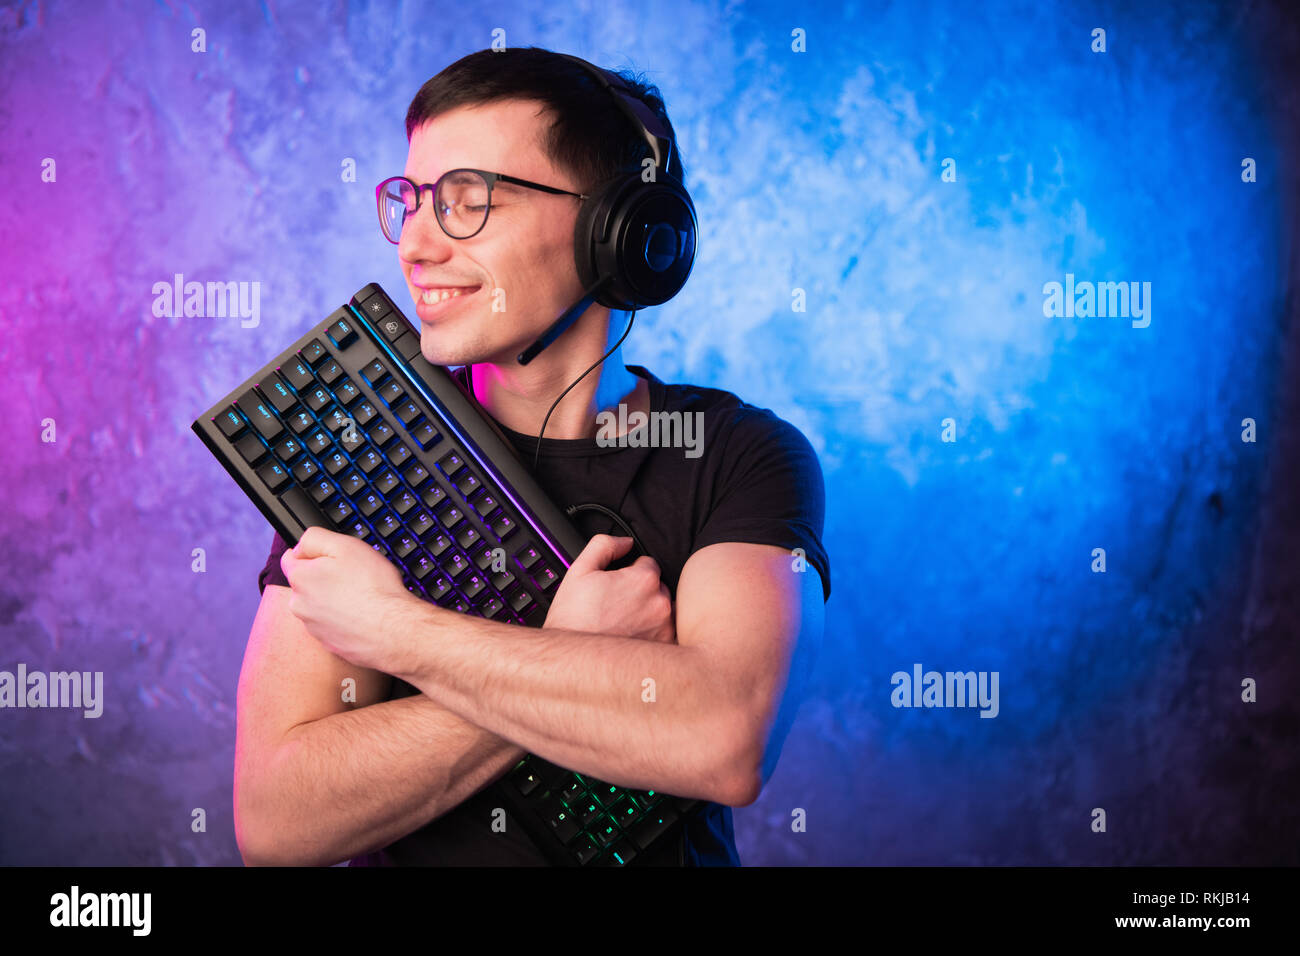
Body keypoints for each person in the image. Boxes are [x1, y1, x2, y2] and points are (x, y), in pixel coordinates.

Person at [233, 46, 831, 867]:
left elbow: (725, 739)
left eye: (467, 202)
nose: (414, 245)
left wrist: (399, 634)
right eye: (409, 201)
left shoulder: (739, 455)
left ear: (619, 232)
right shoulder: (366, 446)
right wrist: (571, 653)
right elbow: (278, 818)